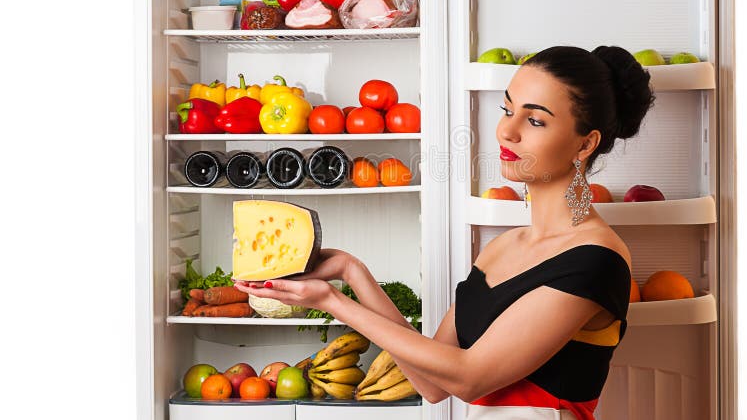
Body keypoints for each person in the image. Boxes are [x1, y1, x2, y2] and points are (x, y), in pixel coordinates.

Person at [236, 45, 656, 420]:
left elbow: (470, 378)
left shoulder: (597, 260)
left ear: (585, 145)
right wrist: (351, 273)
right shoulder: (503, 248)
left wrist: (331, 303)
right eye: (507, 110)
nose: (507, 132)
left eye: (535, 120)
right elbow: (432, 384)